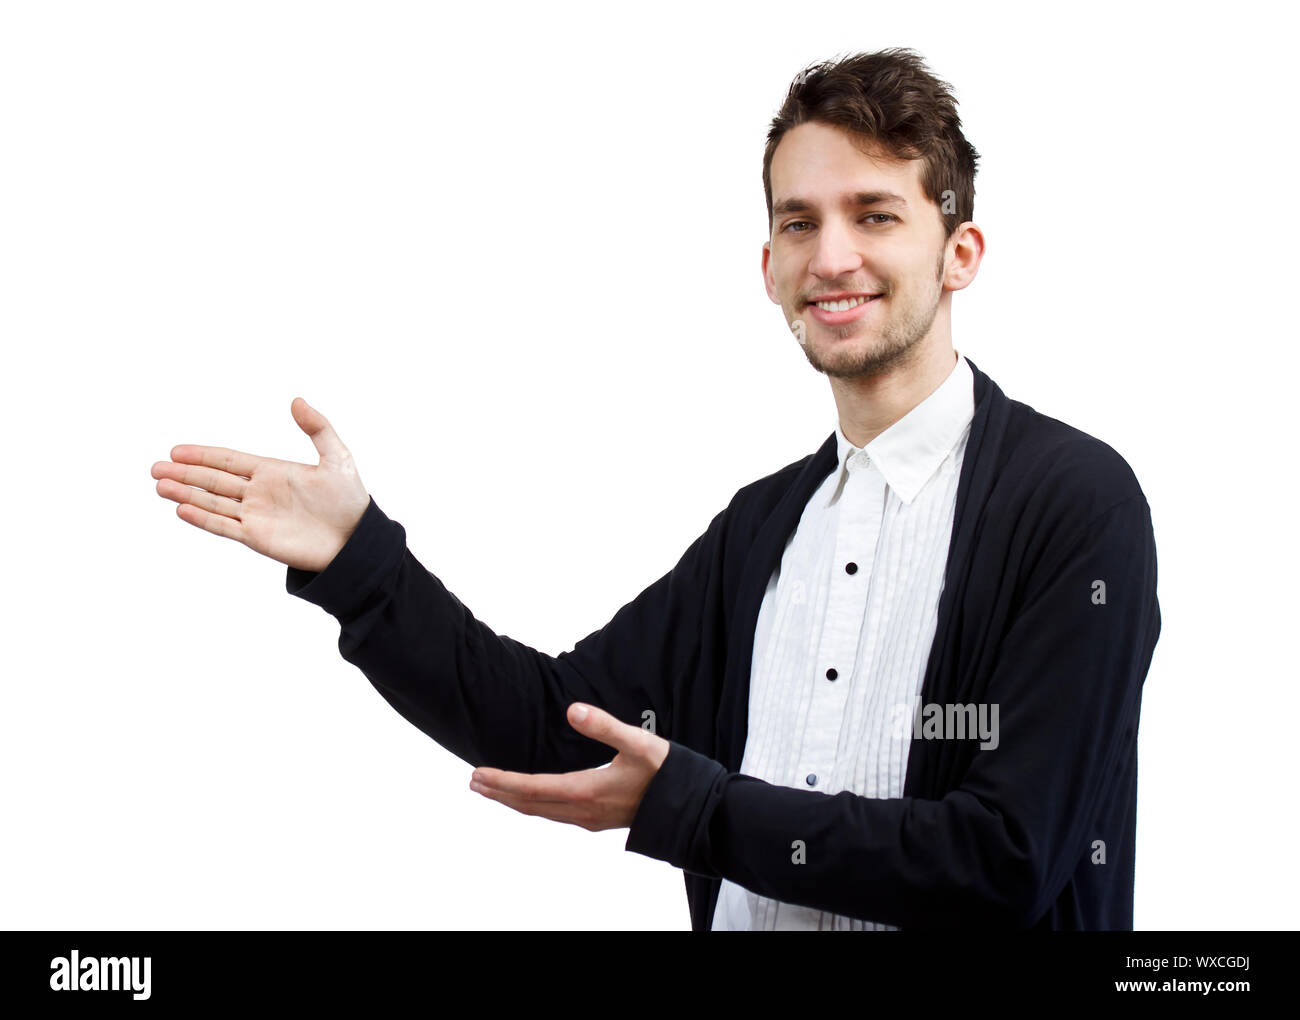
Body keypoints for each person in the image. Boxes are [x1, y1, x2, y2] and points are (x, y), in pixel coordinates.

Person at [151, 48, 1161, 930]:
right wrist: (360, 561)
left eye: (876, 214)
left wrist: (694, 805)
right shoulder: (764, 529)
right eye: (800, 223)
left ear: (959, 254)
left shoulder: (1075, 506)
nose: (833, 255)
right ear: (768, 267)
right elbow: (553, 724)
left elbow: (1007, 858)